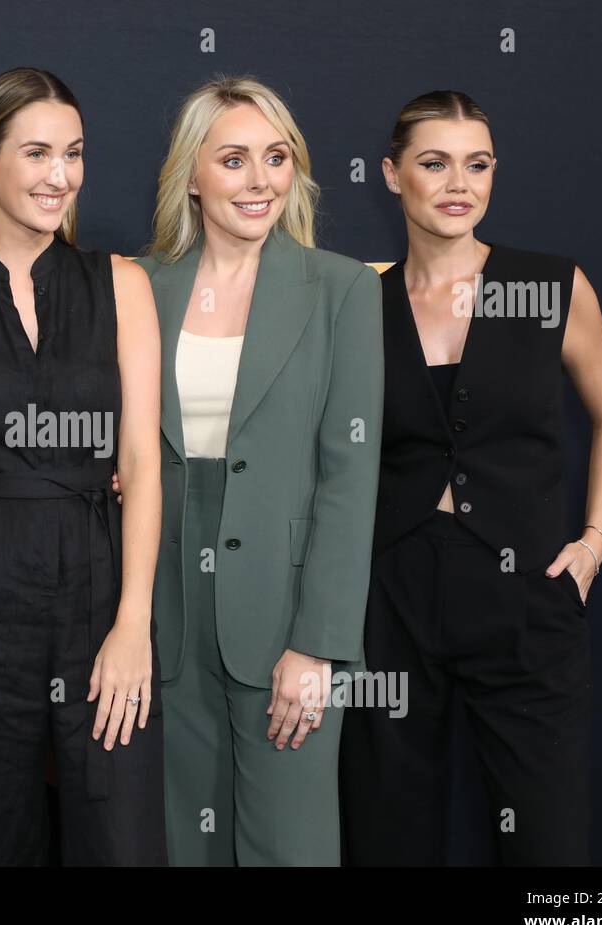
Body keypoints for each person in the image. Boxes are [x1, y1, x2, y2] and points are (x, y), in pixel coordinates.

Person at [338, 90, 602, 866]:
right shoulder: (357, 305)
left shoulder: (551, 285)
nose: (457, 183)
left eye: (477, 165)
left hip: (526, 597)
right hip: (391, 600)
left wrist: (594, 543)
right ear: (392, 175)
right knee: (387, 833)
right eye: (434, 164)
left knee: (548, 842)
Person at [0, 67, 166, 865]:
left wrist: (134, 625)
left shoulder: (121, 284)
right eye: (38, 152)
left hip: (100, 594)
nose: (60, 176)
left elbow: (144, 463)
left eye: (73, 154)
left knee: (118, 840)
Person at [137, 76, 383, 865]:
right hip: (165, 608)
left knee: (291, 844)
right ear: (194, 175)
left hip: (288, 607)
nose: (259, 180)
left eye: (276, 158)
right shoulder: (141, 287)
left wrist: (319, 644)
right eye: (234, 159)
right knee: (184, 842)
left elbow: (350, 477)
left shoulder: (343, 288)